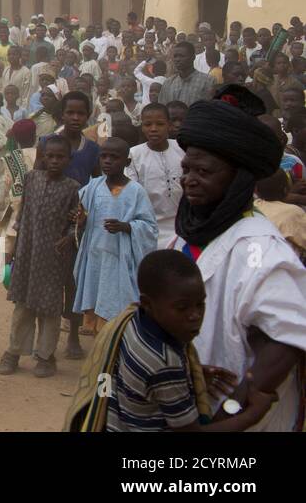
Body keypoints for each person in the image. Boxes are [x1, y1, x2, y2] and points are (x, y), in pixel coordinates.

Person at [167, 92, 306, 431]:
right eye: (186, 169)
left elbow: (288, 336)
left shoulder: (262, 248)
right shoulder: (187, 236)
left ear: (237, 178)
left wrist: (237, 407)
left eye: (203, 171)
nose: (189, 179)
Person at [65, 250, 277, 432]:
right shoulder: (164, 363)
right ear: (148, 303)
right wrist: (252, 416)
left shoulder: (130, 322)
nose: (195, 315)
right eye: (182, 308)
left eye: (200, 304)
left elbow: (117, 375)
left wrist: (189, 374)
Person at [0, 134, 80, 378]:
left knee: (50, 308)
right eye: (49, 156)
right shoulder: (32, 179)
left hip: (54, 258)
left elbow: (76, 222)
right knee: (22, 305)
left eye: (60, 157)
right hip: (27, 253)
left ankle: (45, 356)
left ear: (68, 159)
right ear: (42, 157)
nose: (54, 161)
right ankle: (13, 352)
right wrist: (12, 250)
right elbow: (21, 217)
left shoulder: (73, 188)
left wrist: (69, 234)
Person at [72, 137, 158, 335]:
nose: (108, 161)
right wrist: (81, 220)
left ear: (127, 162)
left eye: (114, 157)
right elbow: (80, 215)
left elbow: (150, 228)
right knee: (95, 312)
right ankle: (101, 358)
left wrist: (127, 227)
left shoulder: (136, 191)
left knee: (117, 315)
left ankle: (114, 357)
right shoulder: (92, 187)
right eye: (104, 156)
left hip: (120, 261)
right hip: (95, 259)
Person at [127, 103, 186, 249]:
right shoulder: (134, 155)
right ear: (142, 127)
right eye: (148, 124)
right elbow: (131, 194)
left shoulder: (182, 149)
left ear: (169, 125)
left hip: (182, 226)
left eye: (160, 124)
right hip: (148, 227)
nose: (153, 129)